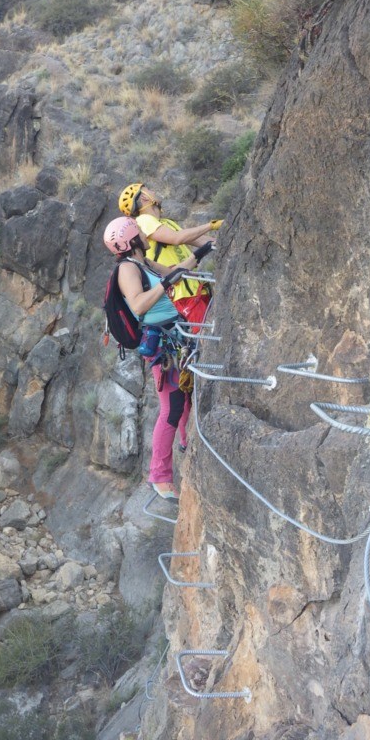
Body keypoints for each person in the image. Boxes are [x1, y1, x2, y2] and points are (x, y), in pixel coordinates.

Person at [103, 214, 193, 501]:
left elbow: (175, 271)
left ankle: (185, 442)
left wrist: (203, 251)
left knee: (183, 398)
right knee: (172, 406)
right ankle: (160, 476)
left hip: (173, 337)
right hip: (162, 345)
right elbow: (139, 305)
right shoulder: (127, 269)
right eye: (140, 232)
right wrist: (165, 285)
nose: (145, 234)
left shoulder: (143, 263)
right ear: (131, 240)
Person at [118, 182, 221, 329]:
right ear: (144, 198)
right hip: (181, 294)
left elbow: (197, 240)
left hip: (193, 289)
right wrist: (211, 225)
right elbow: (177, 238)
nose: (153, 191)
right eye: (149, 190)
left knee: (211, 331)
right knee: (205, 334)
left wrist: (224, 241)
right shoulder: (143, 221)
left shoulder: (164, 223)